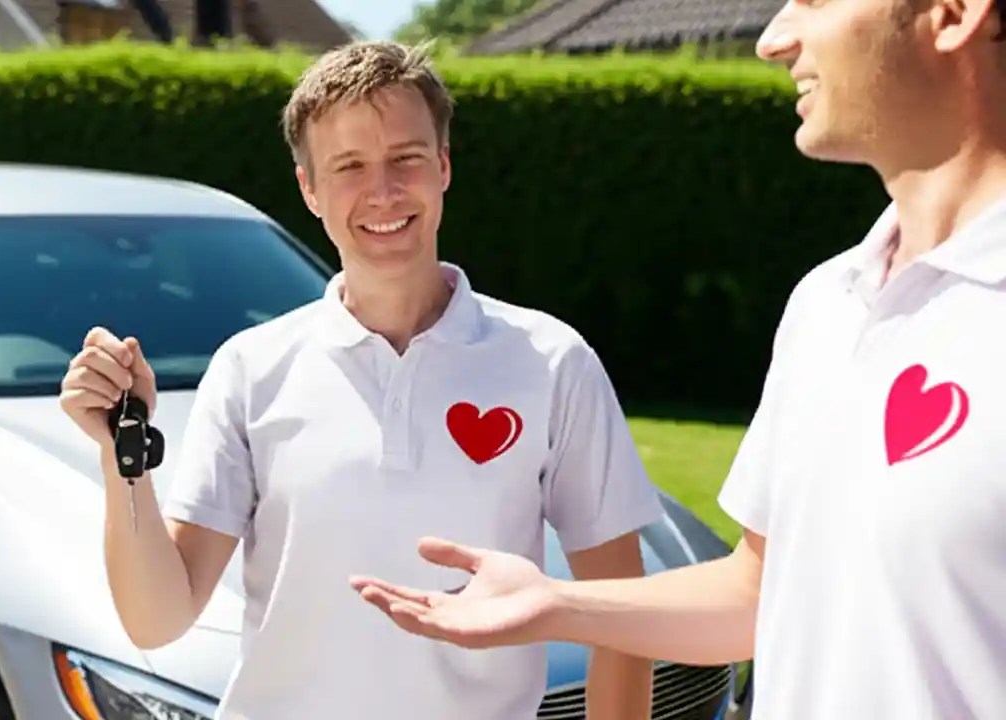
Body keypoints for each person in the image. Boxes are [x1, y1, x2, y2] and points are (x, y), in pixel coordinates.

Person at [351, 1, 1006, 718]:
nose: (773, 39)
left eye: (814, 0)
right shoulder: (828, 303)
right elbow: (757, 592)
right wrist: (555, 602)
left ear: (952, 12)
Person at [59, 40, 667, 719]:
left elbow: (622, 616)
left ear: (443, 166)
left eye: (406, 158)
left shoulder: (554, 362)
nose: (383, 191)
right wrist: (123, 459)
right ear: (309, 189)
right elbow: (157, 620)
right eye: (349, 166)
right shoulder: (250, 369)